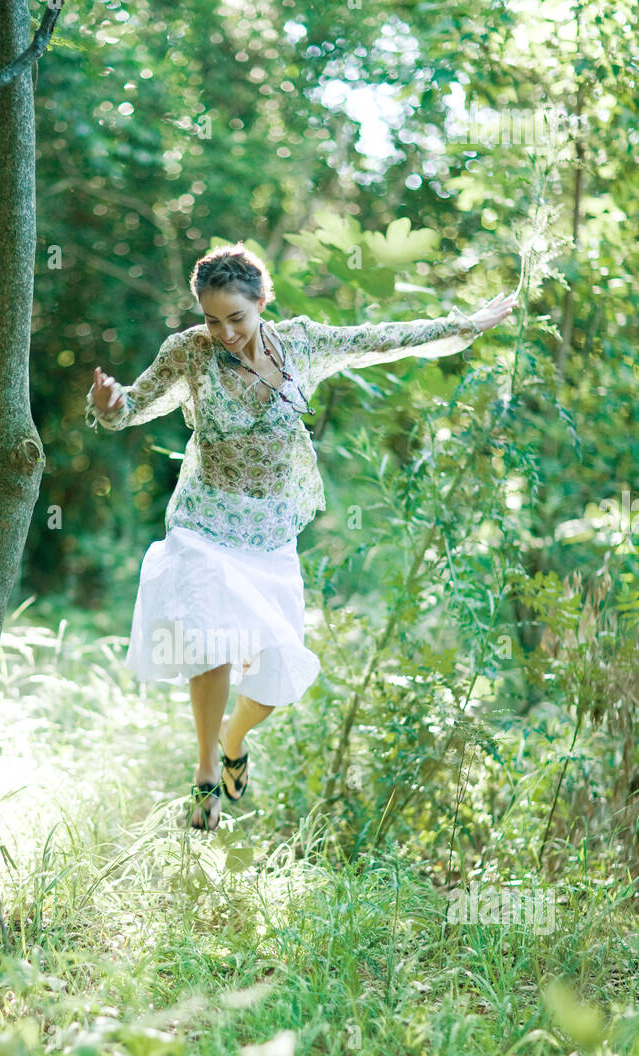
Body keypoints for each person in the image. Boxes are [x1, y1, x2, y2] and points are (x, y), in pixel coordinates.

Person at [85, 243, 517, 830]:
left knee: (278, 669)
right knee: (209, 632)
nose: (225, 332)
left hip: (269, 533)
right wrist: (110, 404)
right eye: (213, 320)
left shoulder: (303, 344)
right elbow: (132, 405)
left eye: (236, 318)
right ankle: (207, 769)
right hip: (205, 523)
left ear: (262, 303)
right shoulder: (189, 352)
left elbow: (380, 338)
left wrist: (465, 324)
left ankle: (235, 739)